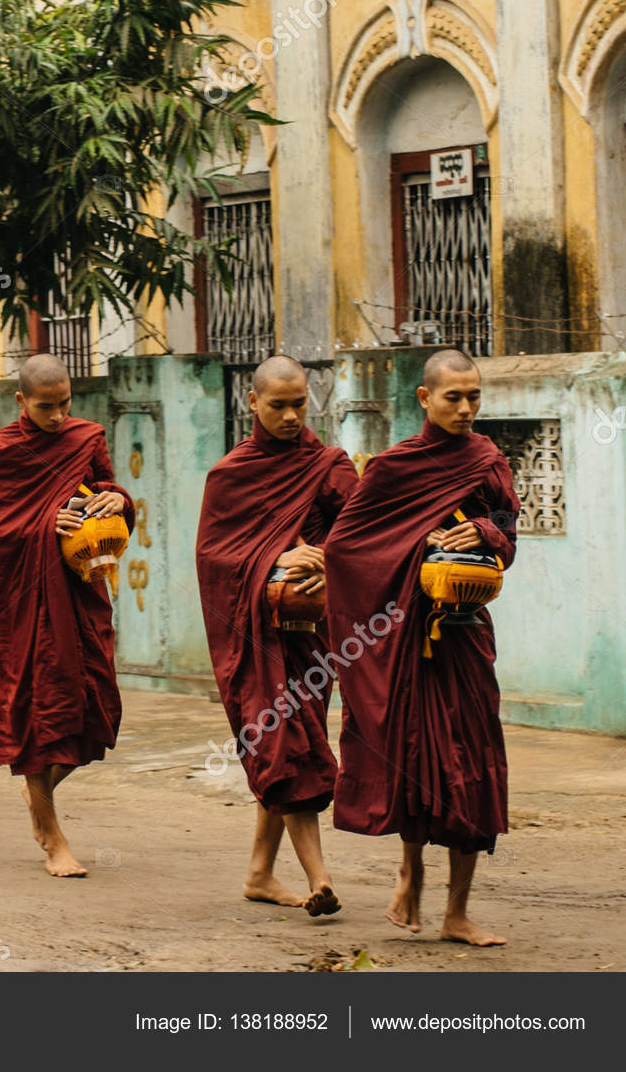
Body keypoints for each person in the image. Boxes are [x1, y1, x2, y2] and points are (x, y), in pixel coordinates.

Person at [326, 348, 518, 946]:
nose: (465, 408)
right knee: (415, 757)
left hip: (465, 638)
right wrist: (419, 549)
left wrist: (482, 532)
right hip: (408, 639)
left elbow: (509, 534)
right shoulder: (392, 468)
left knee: (472, 767)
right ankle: (410, 871)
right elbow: (346, 547)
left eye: (474, 397)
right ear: (424, 399)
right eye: (453, 397)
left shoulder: (487, 461)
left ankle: (457, 912)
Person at [195, 355, 356, 916]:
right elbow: (214, 557)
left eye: (298, 405)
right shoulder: (231, 474)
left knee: (288, 749)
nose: (290, 417)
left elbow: (359, 536)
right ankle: (320, 877)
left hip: (311, 636)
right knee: (285, 747)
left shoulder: (330, 465)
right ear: (253, 403)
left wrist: (325, 557)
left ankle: (260, 873)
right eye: (278, 405)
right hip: (256, 640)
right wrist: (276, 556)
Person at [0, 354, 133, 877]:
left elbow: (111, 489)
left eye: (64, 404)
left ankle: (37, 795)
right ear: (20, 402)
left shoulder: (86, 438)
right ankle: (51, 834)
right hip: (22, 605)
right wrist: (43, 522)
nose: (58, 416)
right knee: (40, 711)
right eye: (45, 407)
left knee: (95, 705)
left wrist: (114, 502)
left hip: (80, 593)